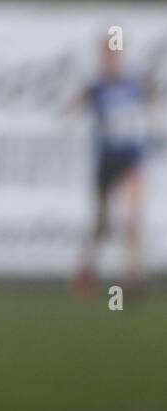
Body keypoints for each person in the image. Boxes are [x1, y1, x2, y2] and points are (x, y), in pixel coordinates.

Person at [69, 39, 152, 298]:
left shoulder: (134, 85)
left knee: (132, 220)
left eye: (115, 55)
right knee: (102, 225)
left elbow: (151, 107)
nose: (112, 60)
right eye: (107, 55)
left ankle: (133, 277)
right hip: (107, 160)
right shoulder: (97, 87)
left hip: (131, 157)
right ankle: (87, 269)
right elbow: (74, 106)